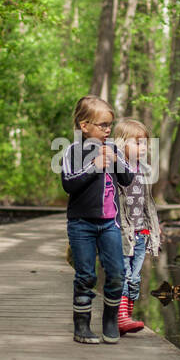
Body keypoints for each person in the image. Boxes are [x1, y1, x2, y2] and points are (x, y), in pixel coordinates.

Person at [61, 95, 133, 344]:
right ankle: (81, 326)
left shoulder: (112, 149)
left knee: (116, 272)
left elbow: (128, 179)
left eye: (109, 125)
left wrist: (115, 162)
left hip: (109, 224)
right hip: (81, 224)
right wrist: (94, 166)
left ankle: (110, 320)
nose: (107, 130)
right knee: (86, 275)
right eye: (102, 125)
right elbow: (68, 184)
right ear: (84, 125)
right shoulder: (73, 151)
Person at [112, 117, 161, 334]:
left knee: (135, 276)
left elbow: (147, 202)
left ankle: (127, 317)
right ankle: (120, 317)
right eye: (138, 143)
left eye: (145, 143)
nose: (143, 147)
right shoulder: (117, 168)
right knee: (124, 273)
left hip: (142, 231)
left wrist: (154, 226)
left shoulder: (144, 169)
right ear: (122, 144)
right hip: (124, 231)